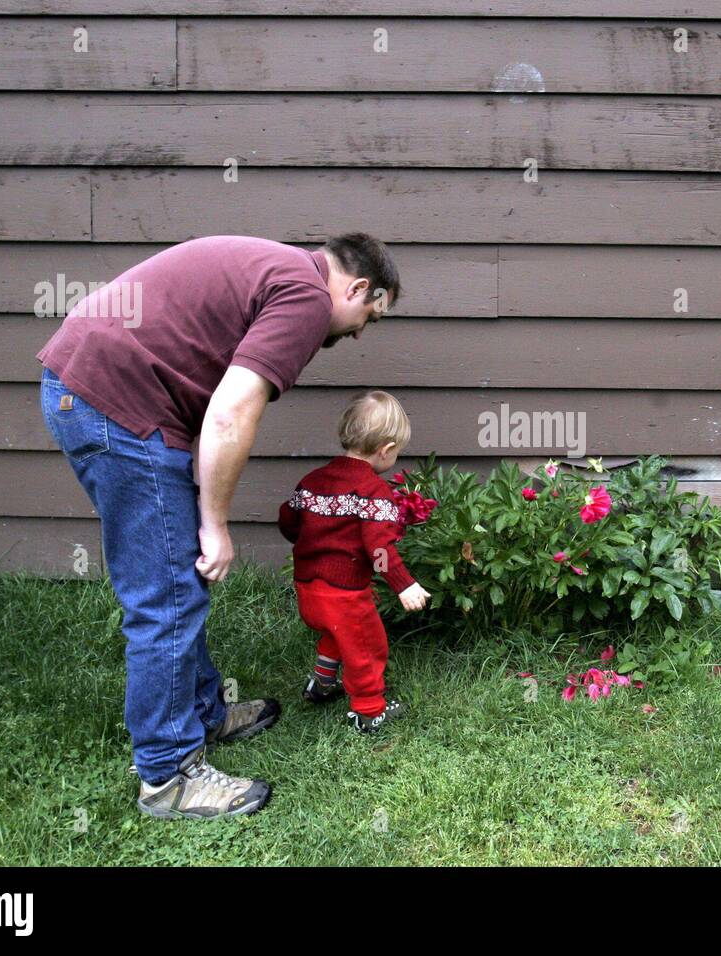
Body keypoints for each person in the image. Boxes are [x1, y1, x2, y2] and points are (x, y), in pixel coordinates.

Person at [36, 233, 401, 818]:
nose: (360, 331)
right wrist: (215, 524)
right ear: (356, 287)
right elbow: (231, 413)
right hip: (116, 406)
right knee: (167, 597)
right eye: (369, 314)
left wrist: (203, 510)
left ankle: (203, 712)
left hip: (97, 393)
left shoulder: (277, 270)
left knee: (178, 579)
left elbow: (212, 408)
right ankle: (168, 775)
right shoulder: (306, 296)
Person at [279, 391, 431, 733]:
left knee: (336, 634)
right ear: (387, 449)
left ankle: (321, 683)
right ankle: (368, 711)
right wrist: (404, 584)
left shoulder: (313, 481)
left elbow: (288, 520)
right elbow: (379, 548)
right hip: (344, 595)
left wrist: (311, 545)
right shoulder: (372, 492)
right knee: (365, 646)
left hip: (307, 590)